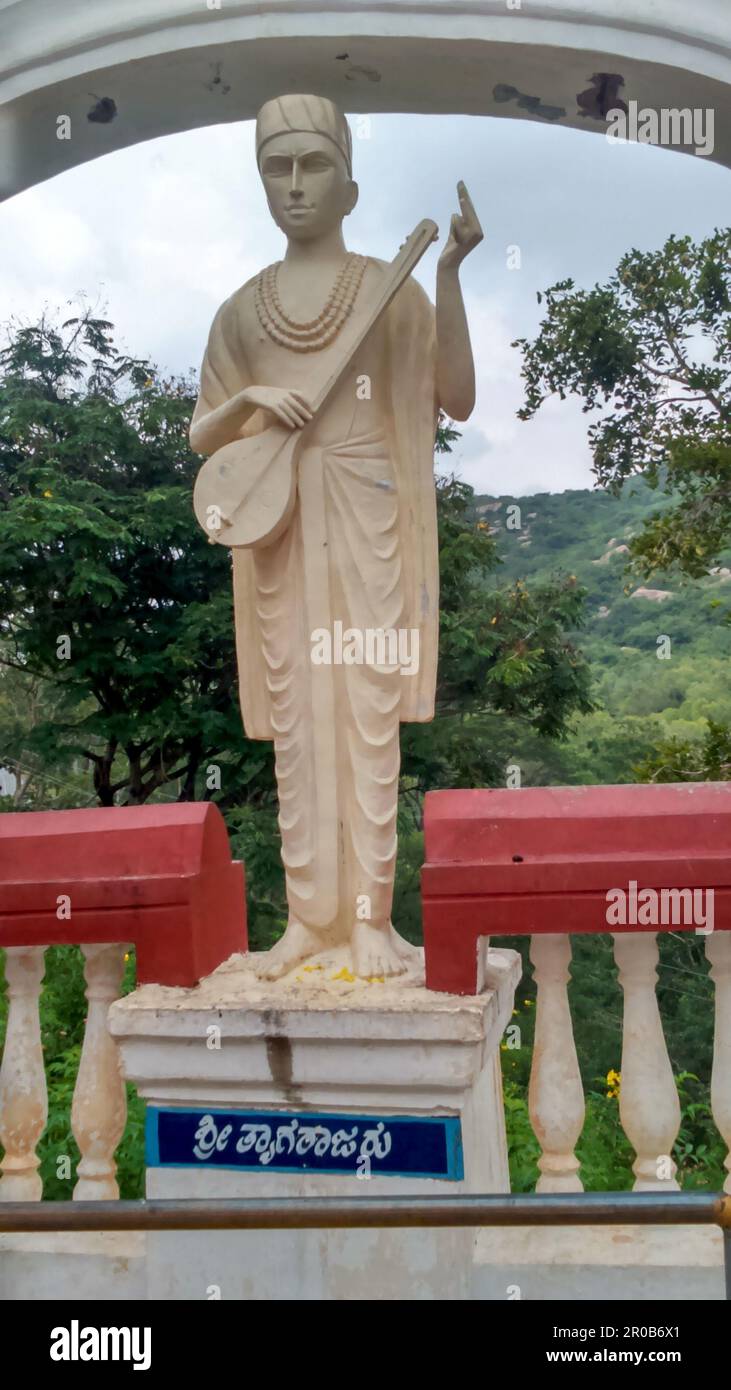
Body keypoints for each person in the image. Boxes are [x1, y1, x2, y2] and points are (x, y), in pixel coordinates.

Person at [190, 94, 482, 978]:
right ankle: (306, 925)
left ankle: (368, 923)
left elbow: (454, 397)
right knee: (298, 725)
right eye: (275, 168)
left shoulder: (385, 290)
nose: (294, 184)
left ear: (348, 183)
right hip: (281, 530)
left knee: (362, 720)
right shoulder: (242, 312)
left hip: (366, 515)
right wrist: (248, 403)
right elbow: (205, 433)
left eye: (312, 164)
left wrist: (450, 277)